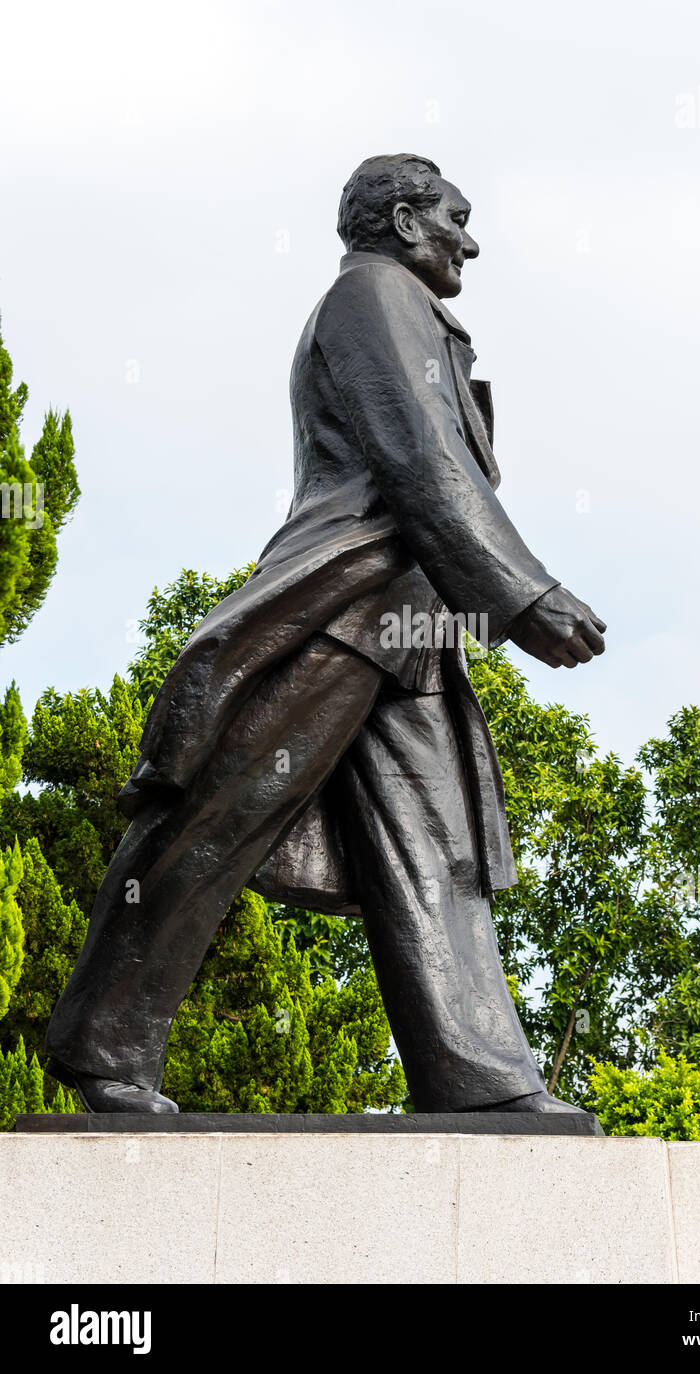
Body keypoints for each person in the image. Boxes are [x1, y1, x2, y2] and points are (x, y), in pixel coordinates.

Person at [45, 154, 607, 1120]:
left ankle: (477, 1078)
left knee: (437, 851)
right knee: (214, 819)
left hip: (408, 621)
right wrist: (523, 595)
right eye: (456, 219)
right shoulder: (376, 298)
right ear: (400, 219)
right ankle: (103, 1042)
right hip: (340, 609)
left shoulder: (408, 308)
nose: (470, 241)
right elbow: (420, 459)